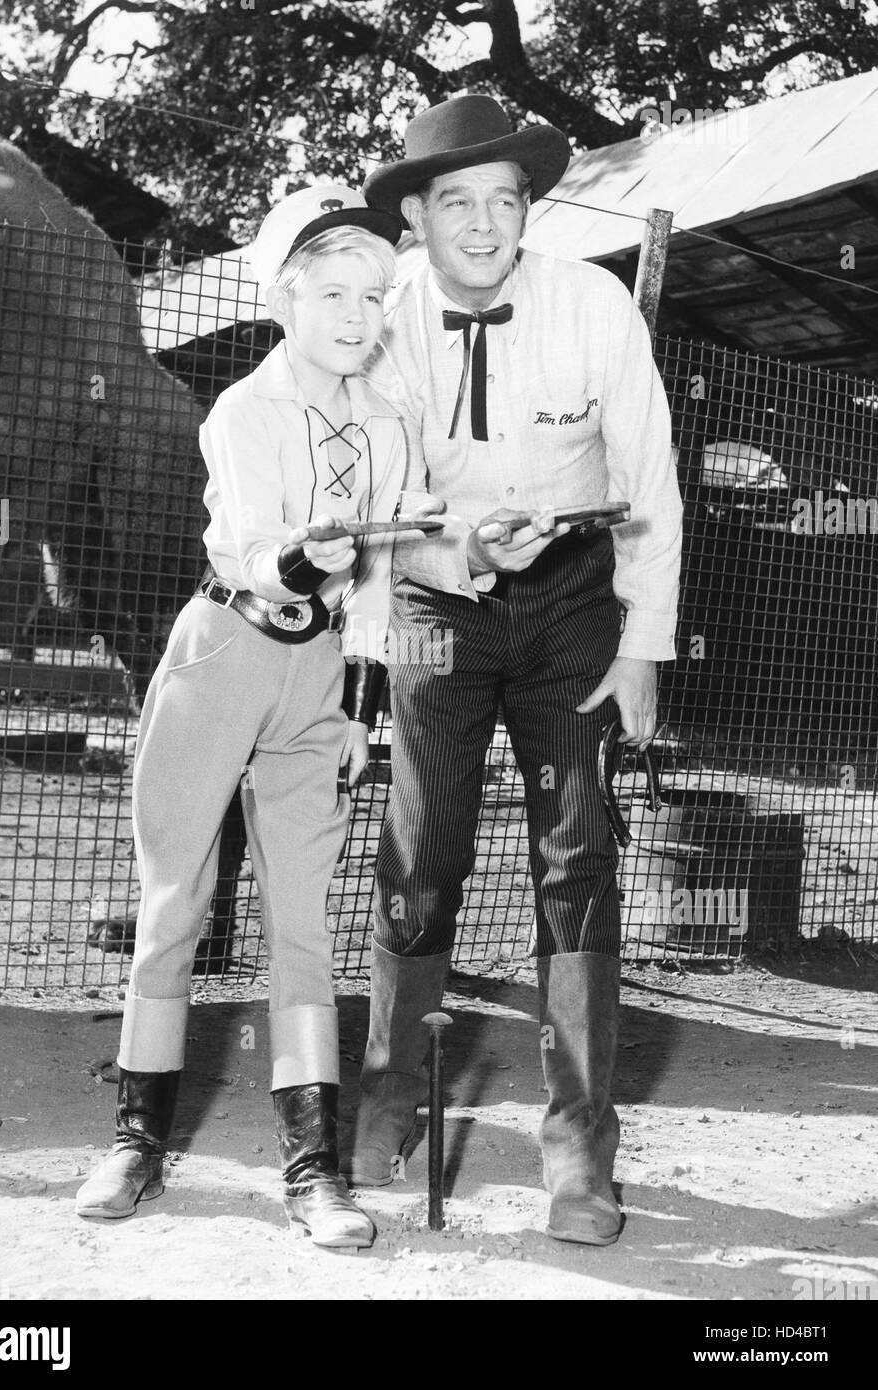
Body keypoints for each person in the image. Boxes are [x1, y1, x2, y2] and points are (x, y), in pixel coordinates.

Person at [341, 95, 683, 1247]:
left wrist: (641, 645)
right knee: (421, 848)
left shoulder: (590, 302)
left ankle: (578, 1148)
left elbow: (650, 476)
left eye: (503, 200)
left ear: (526, 210)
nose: (483, 224)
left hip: (575, 607)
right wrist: (460, 548)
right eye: (455, 202)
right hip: (438, 602)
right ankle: (387, 1100)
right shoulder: (375, 323)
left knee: (575, 853)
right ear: (414, 216)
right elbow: (369, 506)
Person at [75, 185, 408, 1249]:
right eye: (334, 293)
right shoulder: (240, 413)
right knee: (176, 901)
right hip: (222, 651)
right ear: (283, 298)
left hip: (314, 683)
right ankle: (136, 1139)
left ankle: (313, 1170)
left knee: (305, 926)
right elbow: (249, 547)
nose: (358, 315)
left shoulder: (391, 429)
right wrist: (298, 554)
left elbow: (378, 585)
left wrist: (364, 706)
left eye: (374, 294)